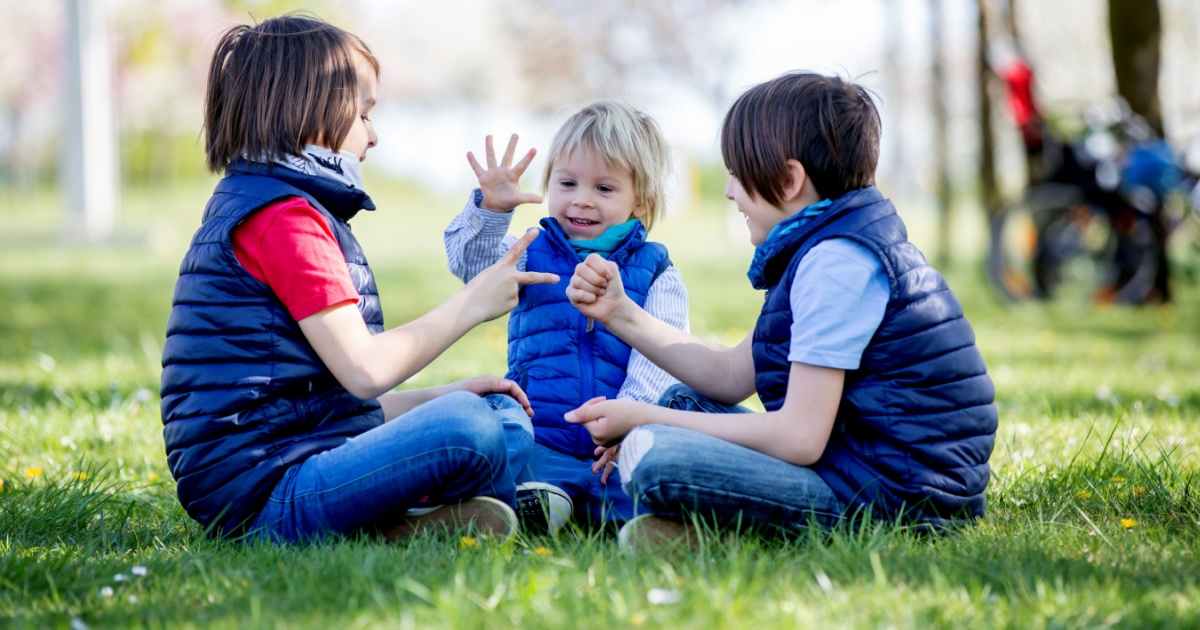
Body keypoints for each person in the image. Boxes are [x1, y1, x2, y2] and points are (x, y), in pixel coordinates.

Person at [159, 14, 559, 544]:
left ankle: (402, 524)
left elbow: (324, 407)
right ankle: (399, 522)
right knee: (471, 426)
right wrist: (472, 303)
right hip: (264, 495)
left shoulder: (282, 207)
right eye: (364, 114)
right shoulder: (282, 220)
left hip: (298, 460)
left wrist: (435, 396)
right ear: (310, 109)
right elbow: (366, 373)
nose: (374, 135)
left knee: (497, 415)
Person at [564, 72, 998, 550]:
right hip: (860, 467)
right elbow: (731, 374)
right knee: (678, 402)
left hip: (896, 499)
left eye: (738, 174)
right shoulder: (825, 247)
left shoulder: (837, 264)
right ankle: (703, 532)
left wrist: (646, 420)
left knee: (658, 451)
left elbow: (799, 438)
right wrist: (621, 312)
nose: (729, 192)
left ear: (789, 180)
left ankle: (721, 523)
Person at [443, 101, 689, 532]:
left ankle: (635, 520)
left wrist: (628, 418)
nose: (581, 200)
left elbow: (662, 356)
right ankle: (531, 504)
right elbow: (472, 269)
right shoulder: (530, 250)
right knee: (508, 449)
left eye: (604, 189)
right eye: (568, 182)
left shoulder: (656, 270)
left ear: (642, 201)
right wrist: (491, 212)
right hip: (543, 434)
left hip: (616, 444)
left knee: (643, 476)